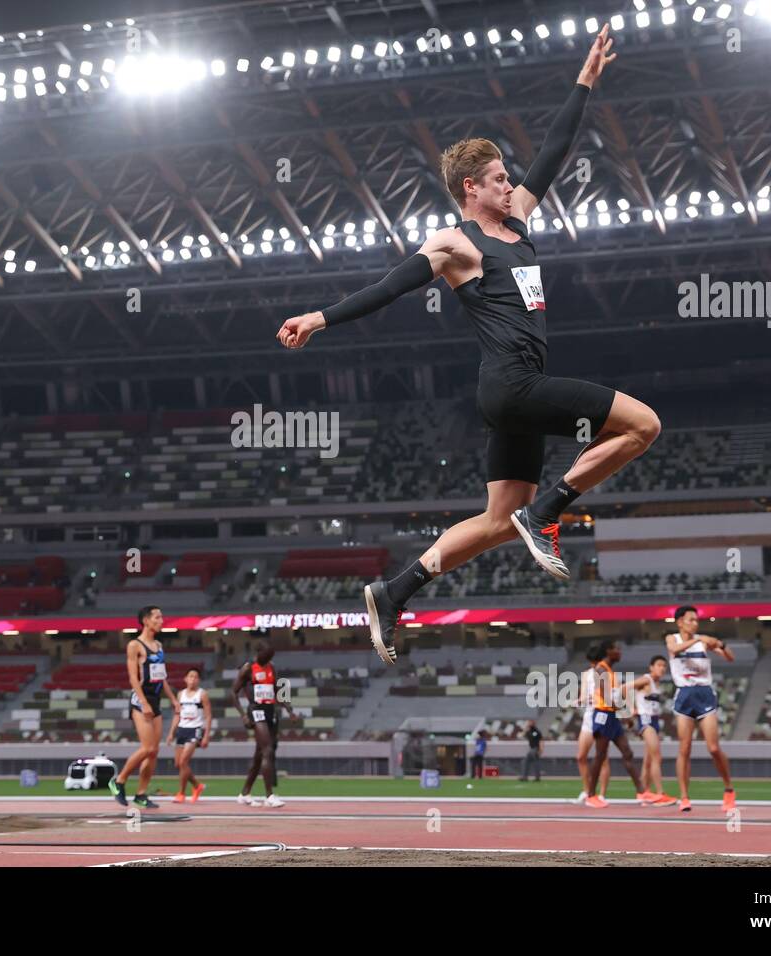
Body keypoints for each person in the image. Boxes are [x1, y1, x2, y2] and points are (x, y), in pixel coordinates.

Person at [276, 27, 659, 664]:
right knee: (643, 425)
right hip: (513, 385)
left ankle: (395, 589)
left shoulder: (517, 223)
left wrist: (585, 79)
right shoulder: (456, 246)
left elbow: (555, 152)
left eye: (510, 178)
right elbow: (390, 286)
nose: (512, 185)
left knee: (494, 520)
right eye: (499, 179)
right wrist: (319, 317)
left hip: (517, 394)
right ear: (470, 191)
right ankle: (550, 513)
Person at [667, 606, 736, 813]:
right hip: (684, 695)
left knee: (713, 748)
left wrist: (721, 644)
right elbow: (674, 650)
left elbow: (730, 657)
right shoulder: (673, 639)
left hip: (704, 693)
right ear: (680, 622)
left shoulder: (703, 641)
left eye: (696, 620)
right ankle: (684, 797)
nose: (695, 623)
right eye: (690, 620)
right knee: (684, 748)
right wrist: (699, 640)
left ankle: (729, 789)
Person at [109, 606, 179, 809]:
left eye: (162, 617)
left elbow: (161, 676)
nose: (162, 620)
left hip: (156, 700)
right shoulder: (135, 645)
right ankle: (119, 780)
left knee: (154, 752)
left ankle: (141, 794)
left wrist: (173, 700)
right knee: (147, 747)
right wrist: (145, 703)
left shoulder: (158, 645)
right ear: (146, 621)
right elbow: (132, 677)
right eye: (157, 617)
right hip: (141, 700)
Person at [583, 640, 647, 809]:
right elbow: (606, 697)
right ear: (608, 651)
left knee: (627, 752)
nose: (620, 652)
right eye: (616, 649)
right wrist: (626, 716)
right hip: (603, 715)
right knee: (600, 755)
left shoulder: (610, 671)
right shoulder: (600, 670)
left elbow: (615, 696)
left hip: (612, 715)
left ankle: (641, 792)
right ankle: (591, 795)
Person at [232, 641, 294, 807]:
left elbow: (279, 690)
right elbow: (234, 693)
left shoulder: (271, 668)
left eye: (271, 657)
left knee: (260, 755)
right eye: (266, 656)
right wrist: (243, 715)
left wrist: (289, 709)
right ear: (258, 653)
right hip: (256, 711)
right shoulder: (248, 668)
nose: (268, 659)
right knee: (267, 750)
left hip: (270, 711)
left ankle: (244, 793)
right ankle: (269, 796)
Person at [629, 655, 677, 805]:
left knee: (648, 760)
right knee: (657, 757)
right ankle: (660, 793)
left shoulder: (657, 683)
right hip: (646, 720)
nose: (662, 668)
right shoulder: (646, 679)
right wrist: (632, 709)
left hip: (654, 720)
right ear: (651, 667)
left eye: (664, 666)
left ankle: (643, 793)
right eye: (659, 665)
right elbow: (624, 687)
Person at [166, 666, 212, 803]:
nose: (193, 679)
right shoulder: (181, 694)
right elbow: (177, 714)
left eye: (195, 677)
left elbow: (208, 716)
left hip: (195, 729)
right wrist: (171, 733)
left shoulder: (202, 694)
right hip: (182, 729)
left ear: (198, 680)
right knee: (178, 764)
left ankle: (181, 793)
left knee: (183, 761)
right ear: (185, 679)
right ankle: (197, 786)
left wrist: (206, 735)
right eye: (190, 676)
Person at [574, 645, 611, 805]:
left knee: (602, 758)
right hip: (589, 717)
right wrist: (578, 701)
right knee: (581, 756)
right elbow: (583, 695)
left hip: (602, 715)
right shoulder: (586, 674)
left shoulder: (606, 674)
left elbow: (609, 697)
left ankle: (601, 794)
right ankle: (588, 790)